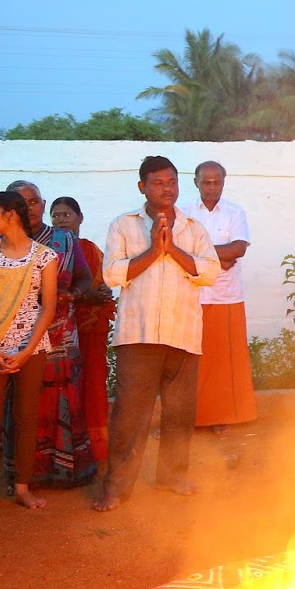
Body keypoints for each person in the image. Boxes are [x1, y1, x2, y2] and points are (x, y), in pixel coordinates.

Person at [94, 156, 219, 512]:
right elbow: (112, 275)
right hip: (138, 333)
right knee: (130, 415)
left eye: (172, 182)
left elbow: (209, 273)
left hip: (183, 331)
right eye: (159, 182)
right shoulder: (124, 225)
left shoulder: (193, 229)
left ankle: (172, 475)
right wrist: (153, 250)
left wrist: (172, 250)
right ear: (142, 187)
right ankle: (116, 487)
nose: (168, 188)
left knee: (179, 412)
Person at [0, 191, 60, 511]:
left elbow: (48, 309)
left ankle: (21, 487)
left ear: (10, 216)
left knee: (26, 418)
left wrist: (25, 350)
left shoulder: (45, 256)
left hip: (30, 348)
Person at [7, 180, 96, 487]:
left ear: (42, 204)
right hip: (15, 341)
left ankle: (67, 471)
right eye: (20, 202)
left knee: (64, 401)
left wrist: (74, 294)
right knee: (24, 403)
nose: (27, 208)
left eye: (33, 202)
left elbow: (85, 278)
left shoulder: (65, 240)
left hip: (61, 338)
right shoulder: (0, 243)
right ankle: (24, 474)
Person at [181, 161, 257, 430]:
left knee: (225, 364)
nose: (212, 187)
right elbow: (178, 250)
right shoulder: (184, 213)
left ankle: (223, 418)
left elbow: (238, 249)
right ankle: (194, 418)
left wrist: (202, 255)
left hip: (226, 297)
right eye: (206, 182)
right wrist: (217, 258)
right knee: (193, 362)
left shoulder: (235, 212)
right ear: (196, 182)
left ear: (224, 183)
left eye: (217, 182)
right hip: (193, 296)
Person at [50, 197, 116, 464]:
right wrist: (86, 296)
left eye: (67, 214)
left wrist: (98, 294)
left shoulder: (89, 249)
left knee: (92, 386)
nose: (61, 219)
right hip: (57, 331)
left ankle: (96, 448)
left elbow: (102, 287)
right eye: (55, 215)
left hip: (88, 327)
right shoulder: (48, 250)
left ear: (80, 218)